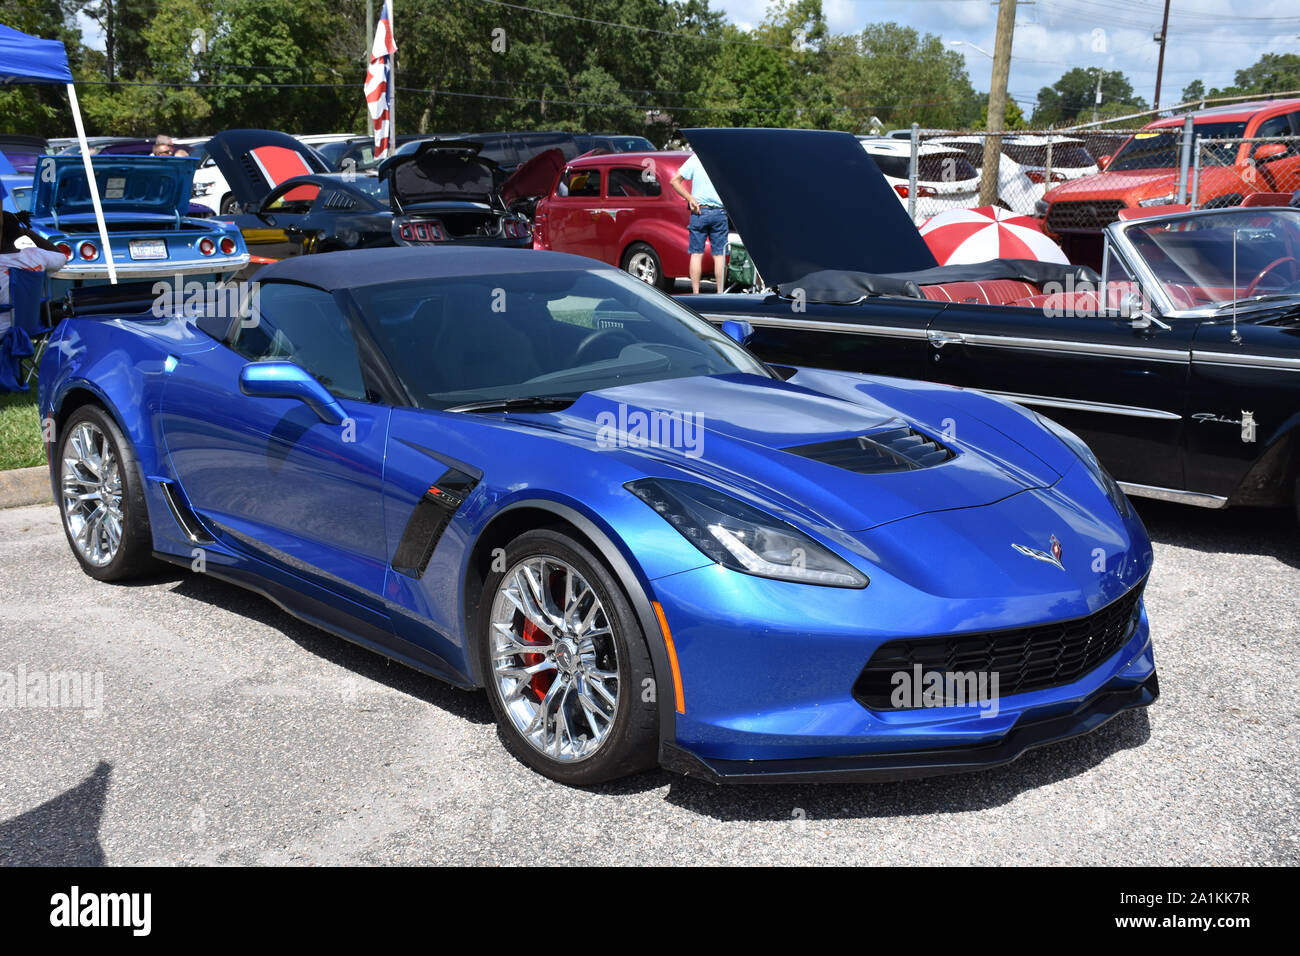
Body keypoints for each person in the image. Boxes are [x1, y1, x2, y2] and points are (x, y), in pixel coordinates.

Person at [670, 152, 727, 294]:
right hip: (719, 212)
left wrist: (690, 198)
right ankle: (720, 293)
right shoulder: (722, 158)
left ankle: (696, 294)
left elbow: (674, 181)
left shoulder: (696, 158)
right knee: (719, 255)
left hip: (699, 211)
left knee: (696, 254)